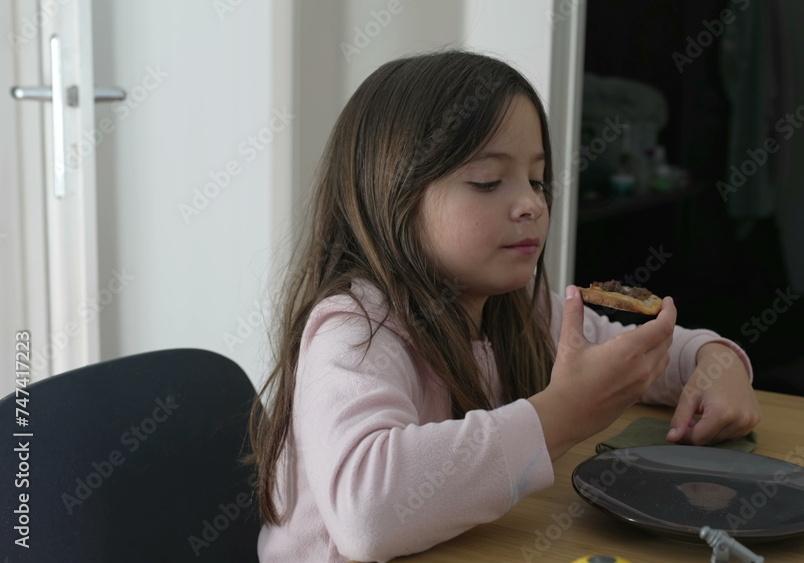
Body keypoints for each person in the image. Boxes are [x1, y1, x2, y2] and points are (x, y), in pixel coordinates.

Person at [250, 50, 761, 562]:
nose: (532, 204)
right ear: (391, 196)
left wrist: (713, 361)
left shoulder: (520, 311)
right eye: (488, 182)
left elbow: (637, 356)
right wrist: (561, 414)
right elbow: (369, 517)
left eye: (537, 180)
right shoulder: (356, 329)